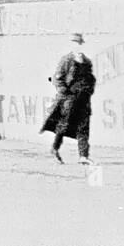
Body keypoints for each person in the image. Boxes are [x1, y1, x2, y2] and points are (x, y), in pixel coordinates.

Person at [41, 32, 96, 164]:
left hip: (84, 100)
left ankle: (83, 156)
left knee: (83, 127)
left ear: (82, 45)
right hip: (70, 100)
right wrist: (65, 93)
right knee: (63, 126)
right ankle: (55, 148)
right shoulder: (66, 60)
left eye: (79, 43)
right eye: (74, 43)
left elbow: (91, 79)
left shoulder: (87, 61)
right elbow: (57, 79)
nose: (77, 46)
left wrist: (89, 90)